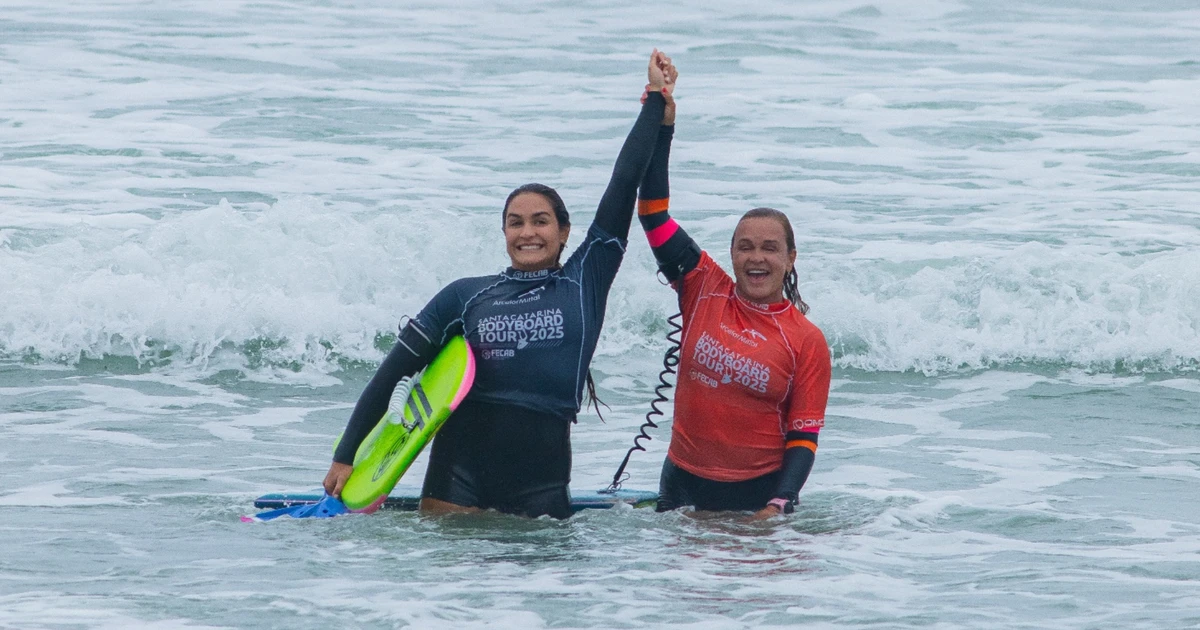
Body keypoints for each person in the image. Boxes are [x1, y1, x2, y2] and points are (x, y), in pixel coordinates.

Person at [321, 51, 678, 519]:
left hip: (542, 485)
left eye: (540, 221)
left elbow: (624, 181)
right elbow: (393, 373)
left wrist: (657, 107)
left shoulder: (585, 279)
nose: (527, 232)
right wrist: (346, 455)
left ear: (564, 231)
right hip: (457, 475)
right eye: (515, 223)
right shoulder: (465, 295)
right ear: (504, 233)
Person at [635, 81, 832, 519]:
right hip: (681, 485)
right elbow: (652, 211)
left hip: (755, 498)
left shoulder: (806, 339)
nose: (756, 257)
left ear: (790, 258)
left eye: (769, 248)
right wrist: (662, 120)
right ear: (731, 254)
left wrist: (779, 504)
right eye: (745, 247)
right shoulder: (703, 285)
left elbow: (804, 435)